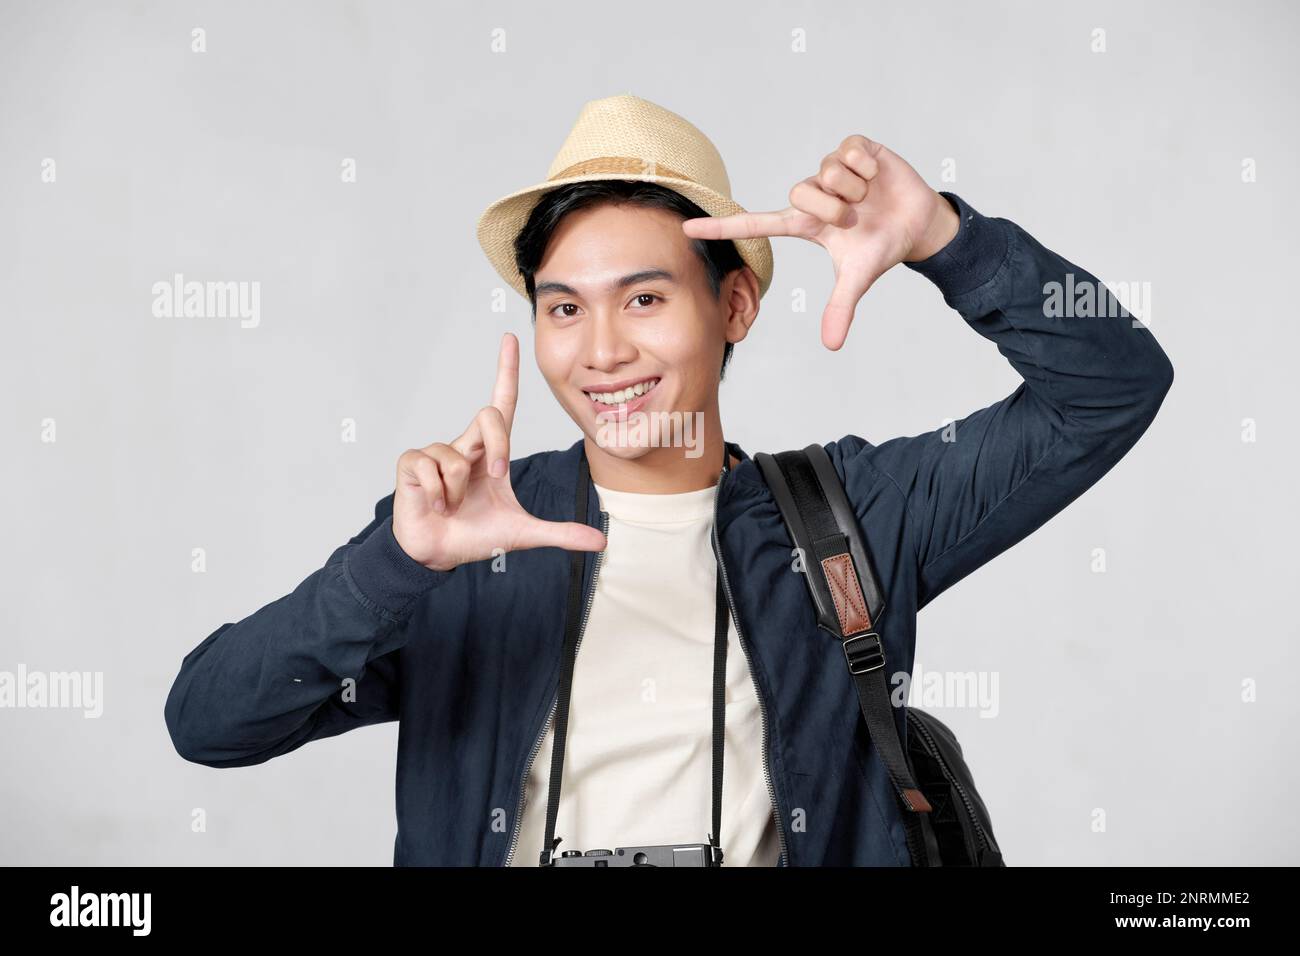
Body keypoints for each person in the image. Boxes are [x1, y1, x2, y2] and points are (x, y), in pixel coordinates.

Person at [164, 93, 1173, 866]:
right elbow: (207, 720)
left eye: (643, 298)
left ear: (733, 305)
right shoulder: (466, 537)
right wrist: (394, 562)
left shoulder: (849, 515)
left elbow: (1110, 389)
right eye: (562, 308)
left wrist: (950, 241)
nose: (600, 349)